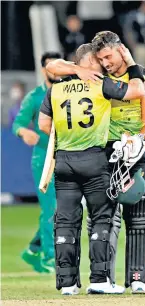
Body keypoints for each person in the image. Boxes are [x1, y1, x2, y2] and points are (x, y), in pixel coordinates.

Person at [47, 31, 145, 294]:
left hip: (133, 151)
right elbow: (53, 66)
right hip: (103, 152)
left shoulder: (143, 75)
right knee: (105, 216)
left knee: (138, 212)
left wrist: (138, 138)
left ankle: (138, 278)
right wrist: (81, 69)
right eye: (100, 59)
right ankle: (102, 277)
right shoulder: (98, 77)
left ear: (120, 50)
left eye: (108, 57)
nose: (106, 63)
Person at [12, 52, 62, 274]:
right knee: (51, 209)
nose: (54, 70)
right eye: (50, 67)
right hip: (43, 158)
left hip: (67, 156)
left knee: (63, 210)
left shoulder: (68, 92)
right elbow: (18, 123)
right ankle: (49, 258)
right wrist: (24, 132)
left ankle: (33, 249)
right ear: (43, 70)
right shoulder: (34, 97)